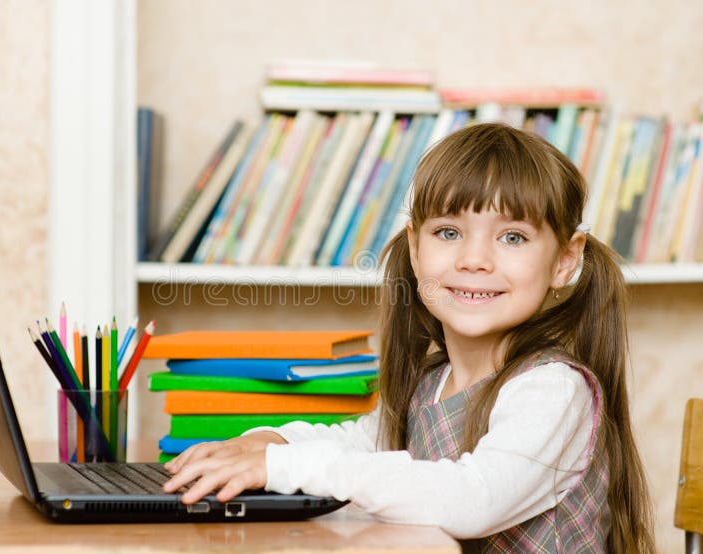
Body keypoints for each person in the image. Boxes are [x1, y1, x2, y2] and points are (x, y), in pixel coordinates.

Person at [163, 123, 656, 553]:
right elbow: (360, 444)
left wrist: (282, 465)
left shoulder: (553, 390)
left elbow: (471, 500)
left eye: (512, 237)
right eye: (448, 232)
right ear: (416, 250)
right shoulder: (431, 383)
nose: (474, 259)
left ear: (565, 260)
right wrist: (266, 443)